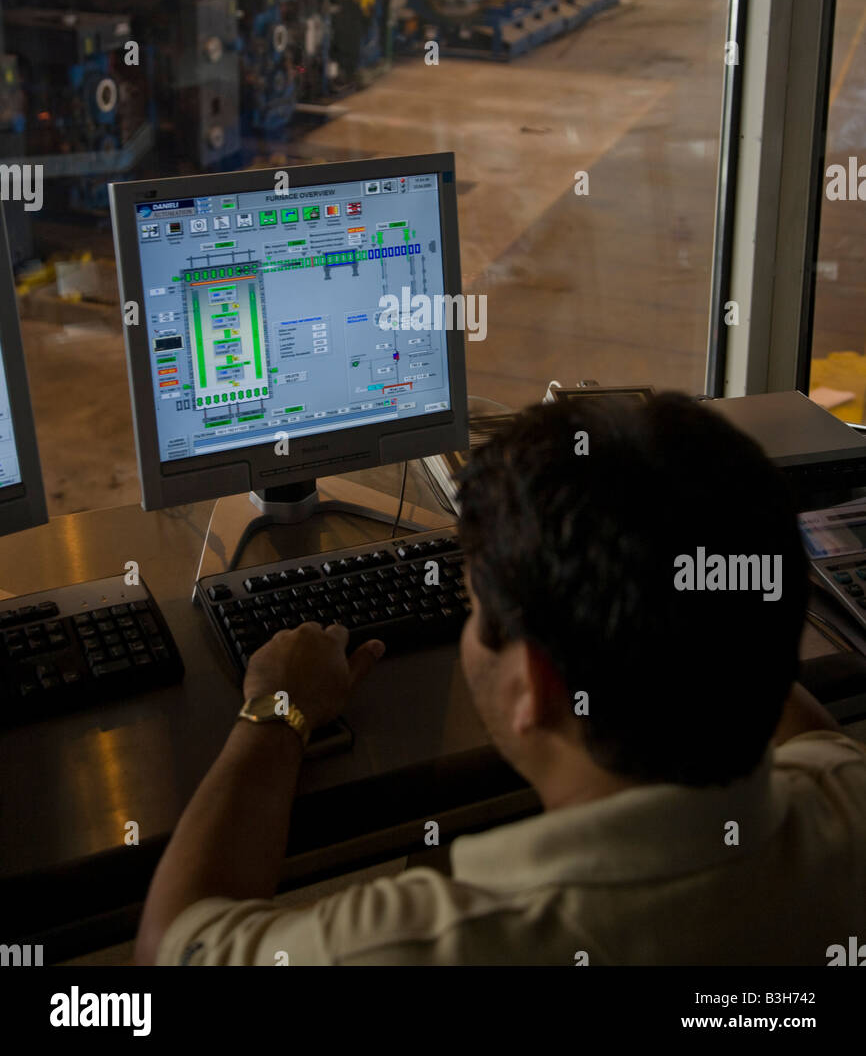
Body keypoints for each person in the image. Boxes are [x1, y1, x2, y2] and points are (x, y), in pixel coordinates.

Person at [136, 393, 866, 966]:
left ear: (535, 687)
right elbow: (802, 724)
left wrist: (277, 710)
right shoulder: (846, 803)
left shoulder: (415, 947)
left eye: (476, 606)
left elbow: (176, 945)